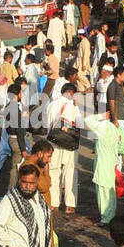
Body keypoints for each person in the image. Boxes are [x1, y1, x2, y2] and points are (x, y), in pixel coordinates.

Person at [83, 110, 124, 225]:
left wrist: (101, 116)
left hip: (103, 164)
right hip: (111, 163)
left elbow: (87, 120)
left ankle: (106, 219)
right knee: (110, 191)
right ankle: (110, 216)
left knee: (103, 193)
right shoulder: (116, 128)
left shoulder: (103, 127)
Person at [46, 81, 81, 217]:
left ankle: (54, 203)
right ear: (71, 93)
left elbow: (46, 124)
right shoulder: (72, 105)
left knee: (54, 172)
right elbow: (79, 123)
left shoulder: (51, 104)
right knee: (70, 173)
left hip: (54, 142)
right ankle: (69, 205)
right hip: (69, 144)